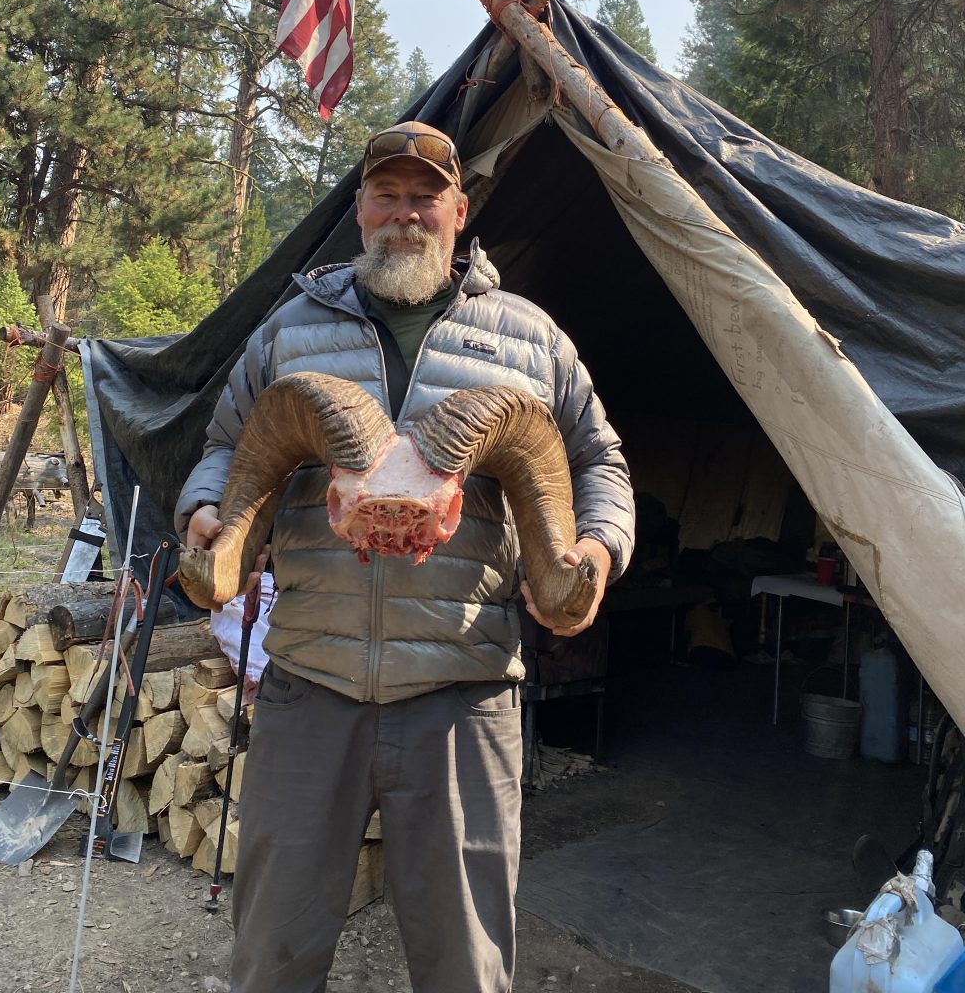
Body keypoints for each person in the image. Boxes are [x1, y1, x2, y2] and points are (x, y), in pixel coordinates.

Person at [175, 120, 635, 993]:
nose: (405, 214)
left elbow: (594, 460)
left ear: (459, 211)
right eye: (387, 195)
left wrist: (596, 544)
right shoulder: (289, 331)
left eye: (425, 197)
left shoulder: (529, 339)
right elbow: (228, 443)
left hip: (461, 695)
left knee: (466, 964)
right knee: (272, 953)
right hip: (313, 682)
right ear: (359, 210)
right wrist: (208, 513)